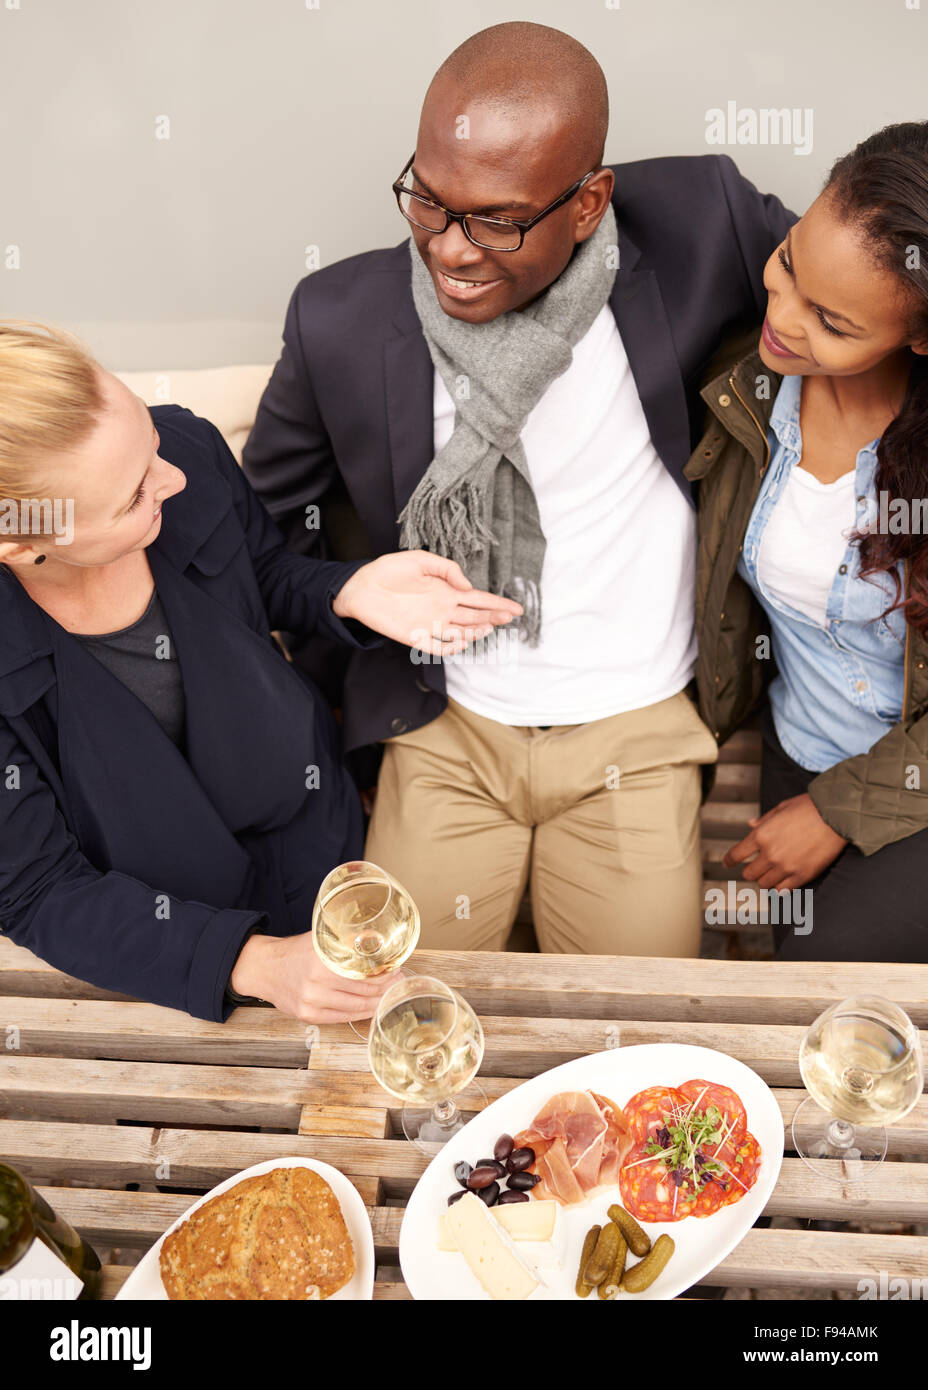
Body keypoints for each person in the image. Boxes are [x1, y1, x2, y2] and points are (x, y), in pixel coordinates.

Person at [243, 21, 796, 957]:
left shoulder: (705, 224)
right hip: (443, 728)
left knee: (629, 1039)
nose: (450, 250)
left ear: (589, 203)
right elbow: (261, 542)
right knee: (406, 1016)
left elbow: (866, 283)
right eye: (428, 199)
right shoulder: (338, 319)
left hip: (638, 729)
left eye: (497, 218)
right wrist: (353, 638)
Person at [0, 321, 521, 1022]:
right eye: (132, 498)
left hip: (318, 842)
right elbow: (40, 891)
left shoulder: (184, 447)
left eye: (150, 446)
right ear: (20, 542)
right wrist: (251, 963)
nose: (173, 477)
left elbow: (264, 570)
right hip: (165, 952)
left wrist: (346, 589)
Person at [687, 121, 928, 962]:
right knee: (751, 964)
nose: (781, 321)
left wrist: (836, 812)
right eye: (788, 263)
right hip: (796, 749)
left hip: (913, 782)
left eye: (830, 321)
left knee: (822, 995)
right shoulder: (742, 392)